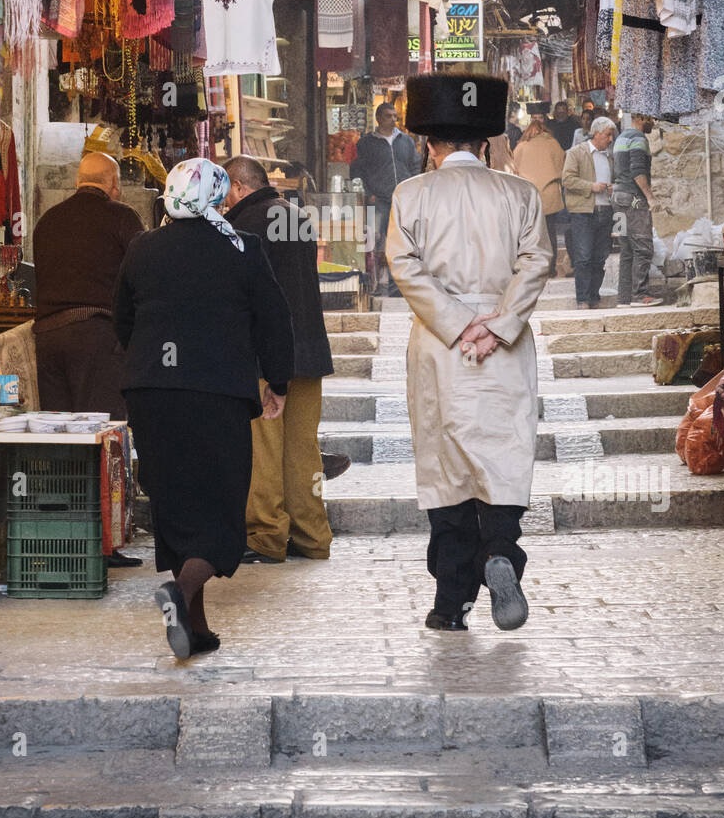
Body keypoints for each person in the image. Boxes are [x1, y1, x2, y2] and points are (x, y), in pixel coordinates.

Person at [386, 74, 553, 633]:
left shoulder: (410, 194)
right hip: (505, 347)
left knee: (447, 467)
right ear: (485, 142)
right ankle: (499, 553)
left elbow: (404, 267)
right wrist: (498, 324)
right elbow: (537, 264)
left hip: (440, 347)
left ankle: (450, 603)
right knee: (503, 456)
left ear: (429, 144)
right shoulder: (521, 193)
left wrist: (457, 326)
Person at [114, 159, 294, 659]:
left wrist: (149, 368)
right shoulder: (241, 247)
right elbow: (273, 320)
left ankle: (194, 626)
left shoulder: (142, 248)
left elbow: (123, 320)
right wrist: (275, 381)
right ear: (217, 197)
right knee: (220, 511)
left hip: (151, 392)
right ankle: (181, 593)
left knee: (175, 505)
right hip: (216, 395)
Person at [223, 156, 338, 565]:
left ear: (239, 186)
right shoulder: (298, 217)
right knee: (302, 449)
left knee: (265, 449)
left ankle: (267, 537)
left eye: (225, 190)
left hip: (264, 355)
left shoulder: (243, 226)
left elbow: (249, 298)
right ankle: (312, 537)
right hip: (308, 351)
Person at [32, 151, 143, 419]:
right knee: (101, 427)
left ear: (77, 182)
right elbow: (142, 274)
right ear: (114, 184)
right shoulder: (122, 216)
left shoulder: (47, 220)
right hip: (97, 337)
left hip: (48, 338)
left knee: (58, 430)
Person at [349, 101, 419, 295]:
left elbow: (415, 165)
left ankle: (398, 285)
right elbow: (358, 170)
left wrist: (413, 189)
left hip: (402, 199)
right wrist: (368, 193)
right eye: (389, 116)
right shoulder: (366, 143)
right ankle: (379, 284)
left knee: (402, 242)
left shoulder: (406, 141)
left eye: (395, 116)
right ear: (378, 118)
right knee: (377, 243)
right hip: (377, 199)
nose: (393, 120)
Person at [562, 115, 618, 309]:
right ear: (596, 133)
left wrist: (612, 188)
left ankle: (594, 295)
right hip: (584, 212)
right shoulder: (577, 152)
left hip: (605, 210)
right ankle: (583, 299)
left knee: (599, 257)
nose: (611, 139)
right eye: (608, 135)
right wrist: (591, 187)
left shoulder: (609, 156)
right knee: (584, 257)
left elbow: (615, 179)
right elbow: (567, 180)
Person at [612, 113, 664, 307]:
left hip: (618, 198)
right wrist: (649, 197)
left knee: (627, 249)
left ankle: (624, 298)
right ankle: (640, 295)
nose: (654, 123)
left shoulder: (621, 138)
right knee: (642, 247)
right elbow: (637, 171)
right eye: (651, 118)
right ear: (640, 118)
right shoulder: (638, 138)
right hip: (633, 200)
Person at [512, 111, 570, 265]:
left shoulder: (521, 146)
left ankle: (534, 265)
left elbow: (514, 170)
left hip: (528, 195)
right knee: (550, 230)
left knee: (529, 233)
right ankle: (551, 267)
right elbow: (562, 167)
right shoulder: (553, 143)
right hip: (549, 194)